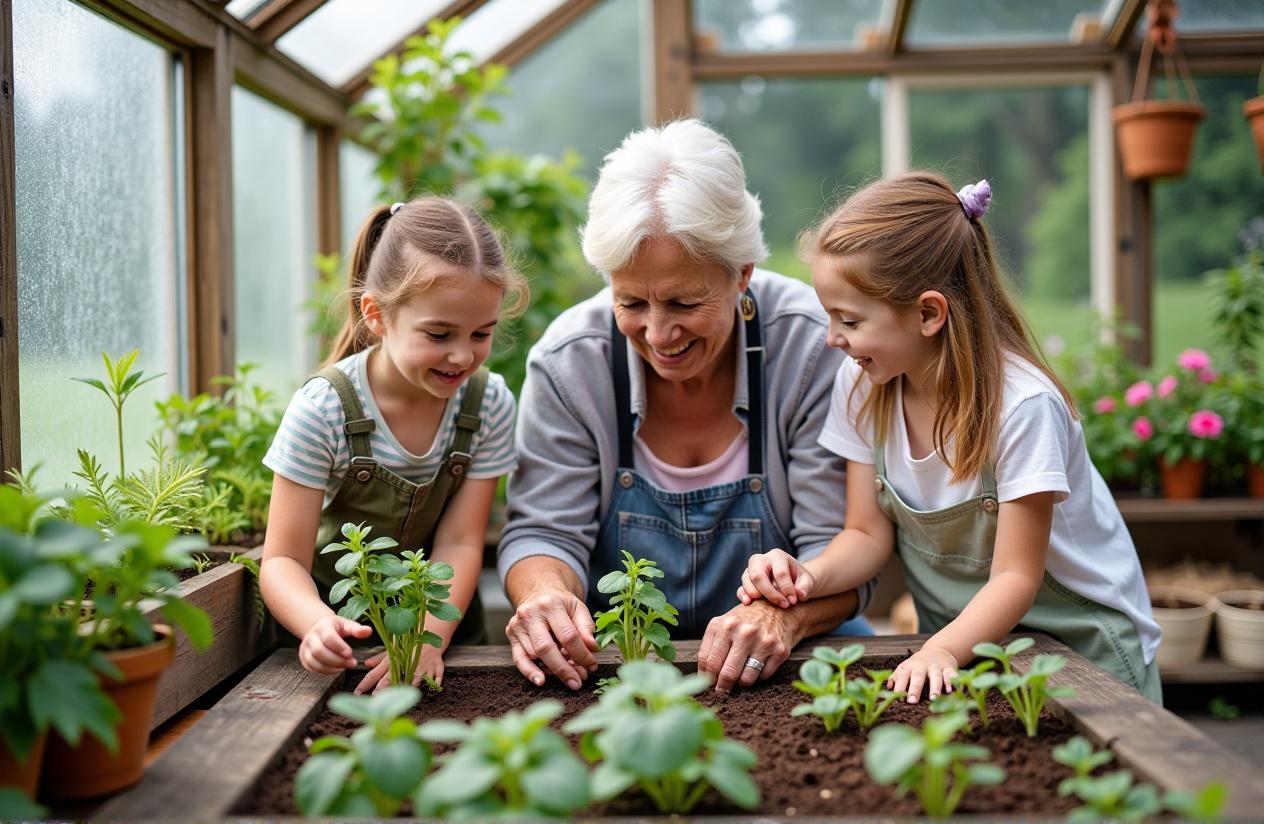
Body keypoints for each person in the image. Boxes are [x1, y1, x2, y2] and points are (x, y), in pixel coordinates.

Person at [738, 173, 1162, 704]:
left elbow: (1015, 576)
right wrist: (806, 576)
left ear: (928, 313)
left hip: (1081, 654)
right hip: (963, 652)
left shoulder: (1023, 408)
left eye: (848, 319)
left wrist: (941, 651)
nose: (832, 339)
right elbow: (866, 535)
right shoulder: (863, 384)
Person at [499, 119, 876, 696]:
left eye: (683, 301)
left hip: (795, 655)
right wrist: (544, 593)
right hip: (618, 663)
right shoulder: (570, 360)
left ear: (742, 274)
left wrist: (783, 616)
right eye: (630, 301)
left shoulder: (810, 348)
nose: (657, 333)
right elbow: (543, 532)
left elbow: (842, 546)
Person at [260, 197, 525, 693]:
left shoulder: (486, 403)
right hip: (339, 639)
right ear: (377, 315)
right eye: (440, 333)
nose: (463, 354)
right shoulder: (325, 410)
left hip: (443, 634)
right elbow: (282, 561)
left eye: (481, 333)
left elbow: (461, 541)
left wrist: (429, 639)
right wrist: (316, 625)